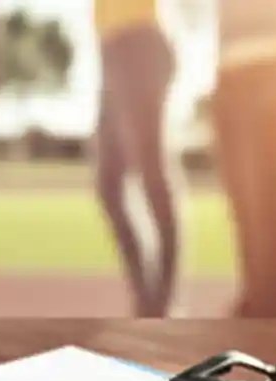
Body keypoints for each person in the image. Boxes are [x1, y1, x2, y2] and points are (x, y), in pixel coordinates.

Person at [214, 0, 276, 318]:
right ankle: (257, 299)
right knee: (243, 201)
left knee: (267, 203)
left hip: (269, 61)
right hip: (228, 66)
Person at [93, 0, 183, 318]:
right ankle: (148, 300)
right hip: (112, 47)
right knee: (108, 184)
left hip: (138, 43)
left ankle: (160, 303)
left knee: (151, 172)